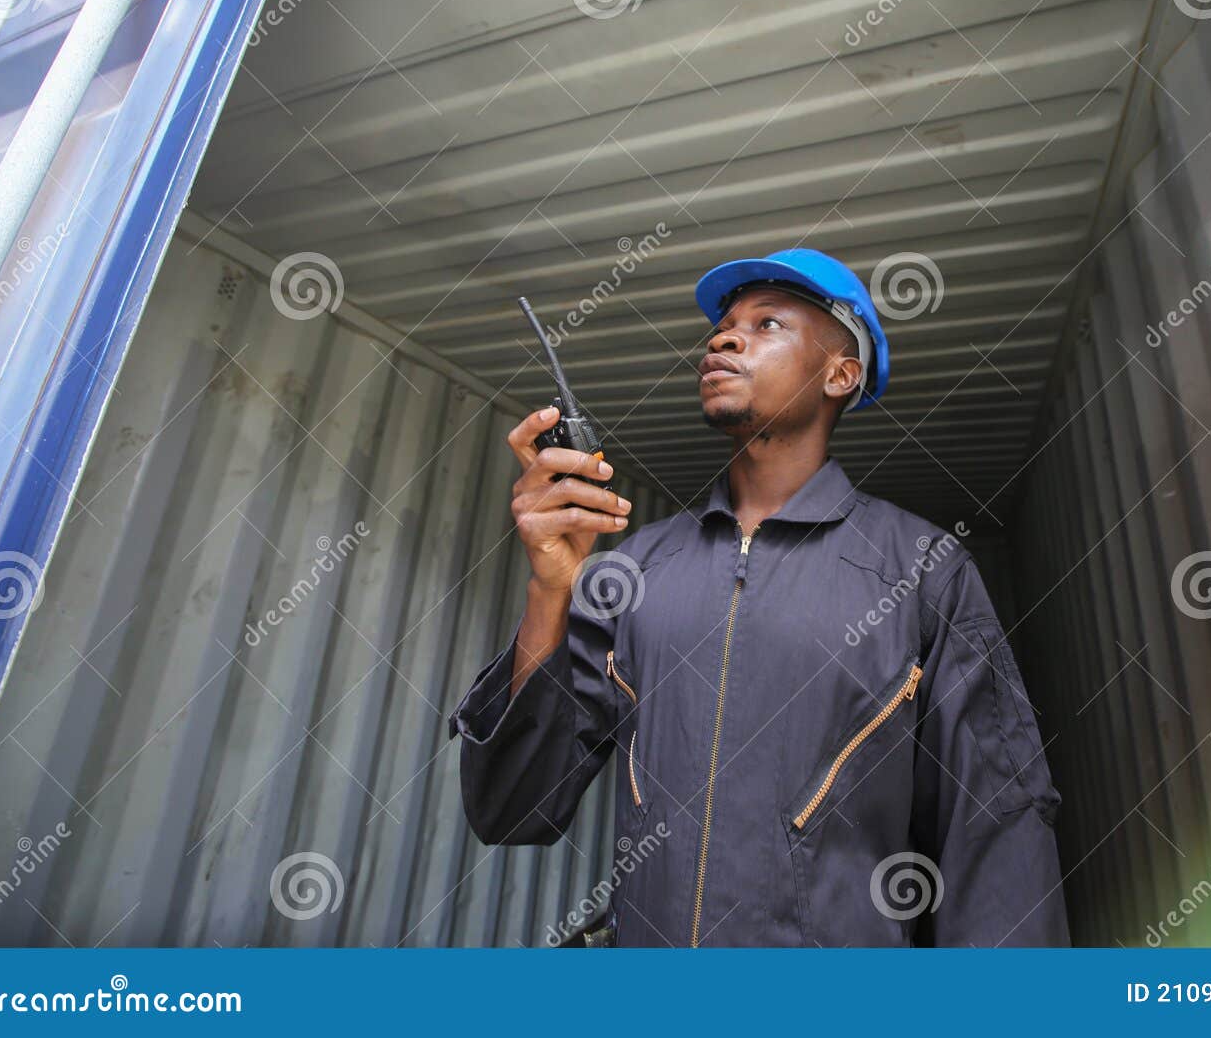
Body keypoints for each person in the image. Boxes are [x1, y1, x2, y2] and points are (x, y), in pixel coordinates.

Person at [446, 247, 1069, 946]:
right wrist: (552, 587)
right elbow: (512, 806)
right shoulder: (641, 566)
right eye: (722, 326)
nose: (723, 337)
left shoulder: (921, 569)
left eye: (768, 323)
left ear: (842, 372)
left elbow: (999, 836)